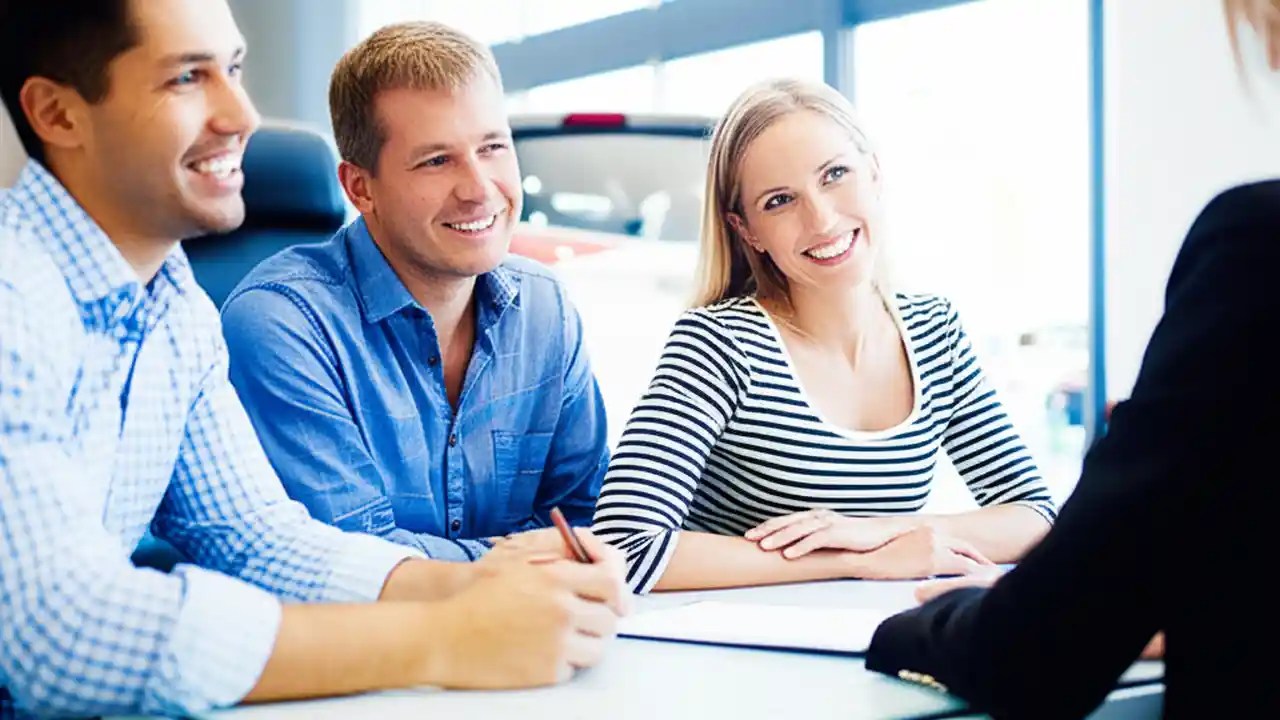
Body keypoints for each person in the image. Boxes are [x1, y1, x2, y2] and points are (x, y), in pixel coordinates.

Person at [0, 2, 626, 718]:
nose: (241, 114)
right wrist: (447, 636)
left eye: (233, 69)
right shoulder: (13, 297)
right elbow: (67, 636)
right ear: (57, 114)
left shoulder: (175, 311)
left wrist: (482, 583)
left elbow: (255, 538)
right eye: (186, 79)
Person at [864, 2, 1279, 717]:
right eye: (780, 199)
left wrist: (913, 598)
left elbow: (1035, 633)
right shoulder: (716, 342)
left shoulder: (1258, 252)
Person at [592, 78, 1056, 594]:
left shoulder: (934, 332)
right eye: (779, 201)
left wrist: (879, 534)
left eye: (835, 174)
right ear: (746, 231)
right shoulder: (719, 344)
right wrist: (854, 558)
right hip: (736, 650)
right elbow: (622, 544)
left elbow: (1036, 516)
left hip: (864, 640)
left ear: (875, 172)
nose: (822, 218)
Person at [219, 21, 609, 561]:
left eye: (493, 147)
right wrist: (533, 561)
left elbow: (588, 521)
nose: (479, 189)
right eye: (436, 160)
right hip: (358, 642)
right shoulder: (281, 323)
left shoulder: (545, 307)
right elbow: (358, 562)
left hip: (528, 632)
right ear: (360, 188)